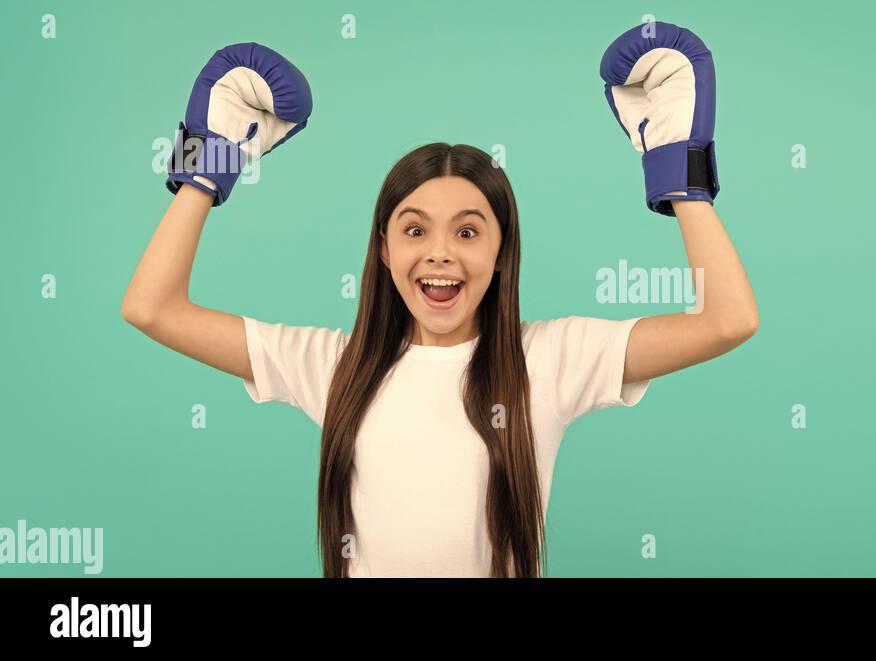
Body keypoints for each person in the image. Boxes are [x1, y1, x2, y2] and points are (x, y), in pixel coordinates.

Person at [121, 26, 757, 578]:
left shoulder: (553, 358)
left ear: (503, 251)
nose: (441, 253)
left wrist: (683, 176)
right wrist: (203, 167)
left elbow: (728, 321)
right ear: (383, 250)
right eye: (415, 229)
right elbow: (152, 307)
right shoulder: (334, 366)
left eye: (470, 231)